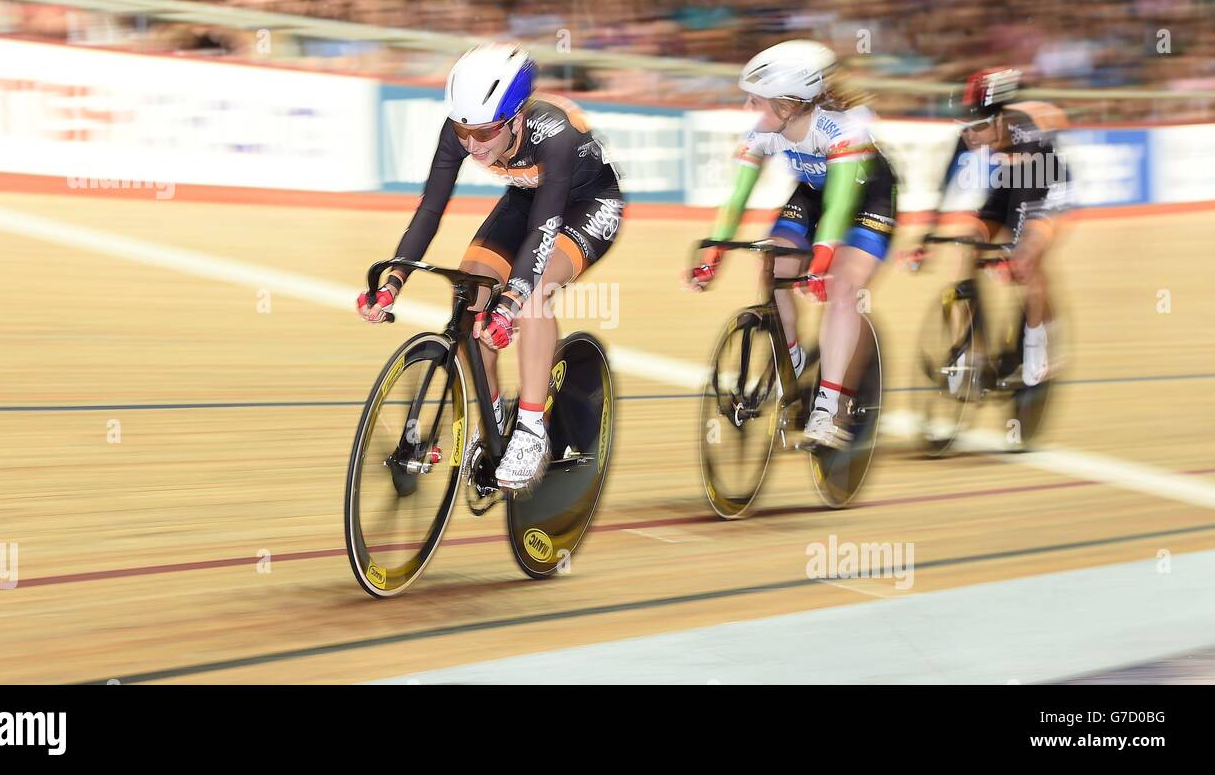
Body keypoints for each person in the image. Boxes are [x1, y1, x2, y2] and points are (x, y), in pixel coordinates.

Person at [357, 44, 625, 491]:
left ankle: (532, 429)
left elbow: (545, 229)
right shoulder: (462, 130)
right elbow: (430, 212)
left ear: (517, 118)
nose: (471, 144)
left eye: (484, 133)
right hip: (526, 199)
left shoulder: (555, 135)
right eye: (464, 131)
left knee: (534, 298)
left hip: (588, 205)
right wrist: (392, 282)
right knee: (470, 293)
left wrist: (512, 302)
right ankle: (494, 413)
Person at [686, 39, 898, 449]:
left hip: (866, 199)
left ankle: (828, 407)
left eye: (757, 100)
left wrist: (822, 258)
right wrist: (713, 250)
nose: (749, 108)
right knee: (773, 260)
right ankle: (793, 352)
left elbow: (840, 205)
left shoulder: (841, 129)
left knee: (842, 288)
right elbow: (736, 198)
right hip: (815, 195)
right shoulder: (765, 132)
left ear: (788, 104)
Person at [905, 67, 1070, 387]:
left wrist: (1013, 253)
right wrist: (926, 238)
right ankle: (969, 351)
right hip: (1007, 188)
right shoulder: (972, 132)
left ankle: (1037, 342)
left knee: (1026, 259)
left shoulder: (1028, 136)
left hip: (1047, 190)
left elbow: (1028, 200)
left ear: (1001, 120)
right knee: (965, 244)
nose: (971, 136)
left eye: (978, 127)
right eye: (966, 127)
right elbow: (945, 186)